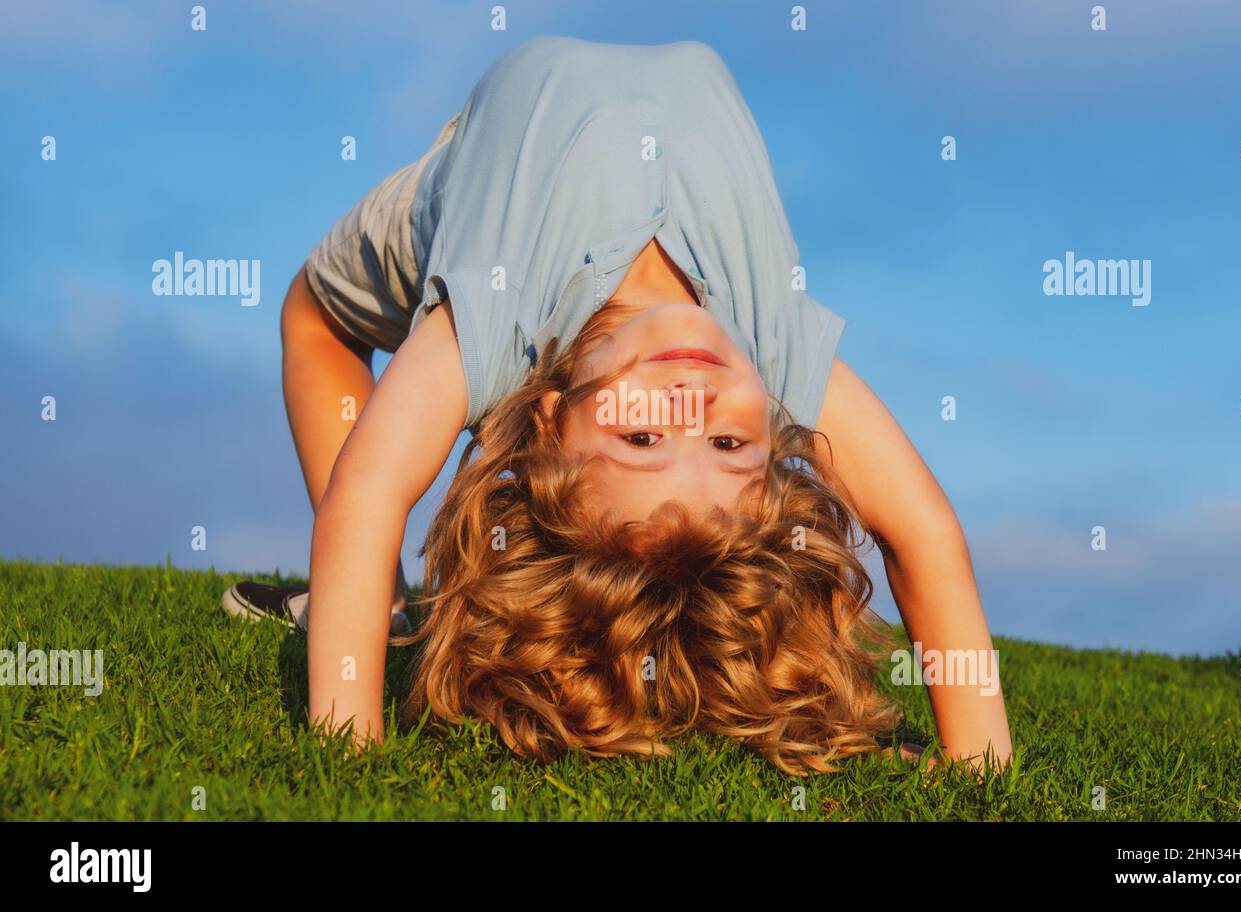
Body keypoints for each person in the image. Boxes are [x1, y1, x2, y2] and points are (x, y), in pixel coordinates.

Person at [224, 36, 1012, 775]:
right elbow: (923, 533)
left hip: (463, 180)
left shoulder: (499, 321)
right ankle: (380, 609)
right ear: (774, 450)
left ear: (546, 422)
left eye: (639, 435)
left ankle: (383, 610)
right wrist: (980, 762)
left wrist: (348, 741)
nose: (691, 404)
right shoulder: (770, 350)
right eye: (728, 447)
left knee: (312, 318)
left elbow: (369, 491)